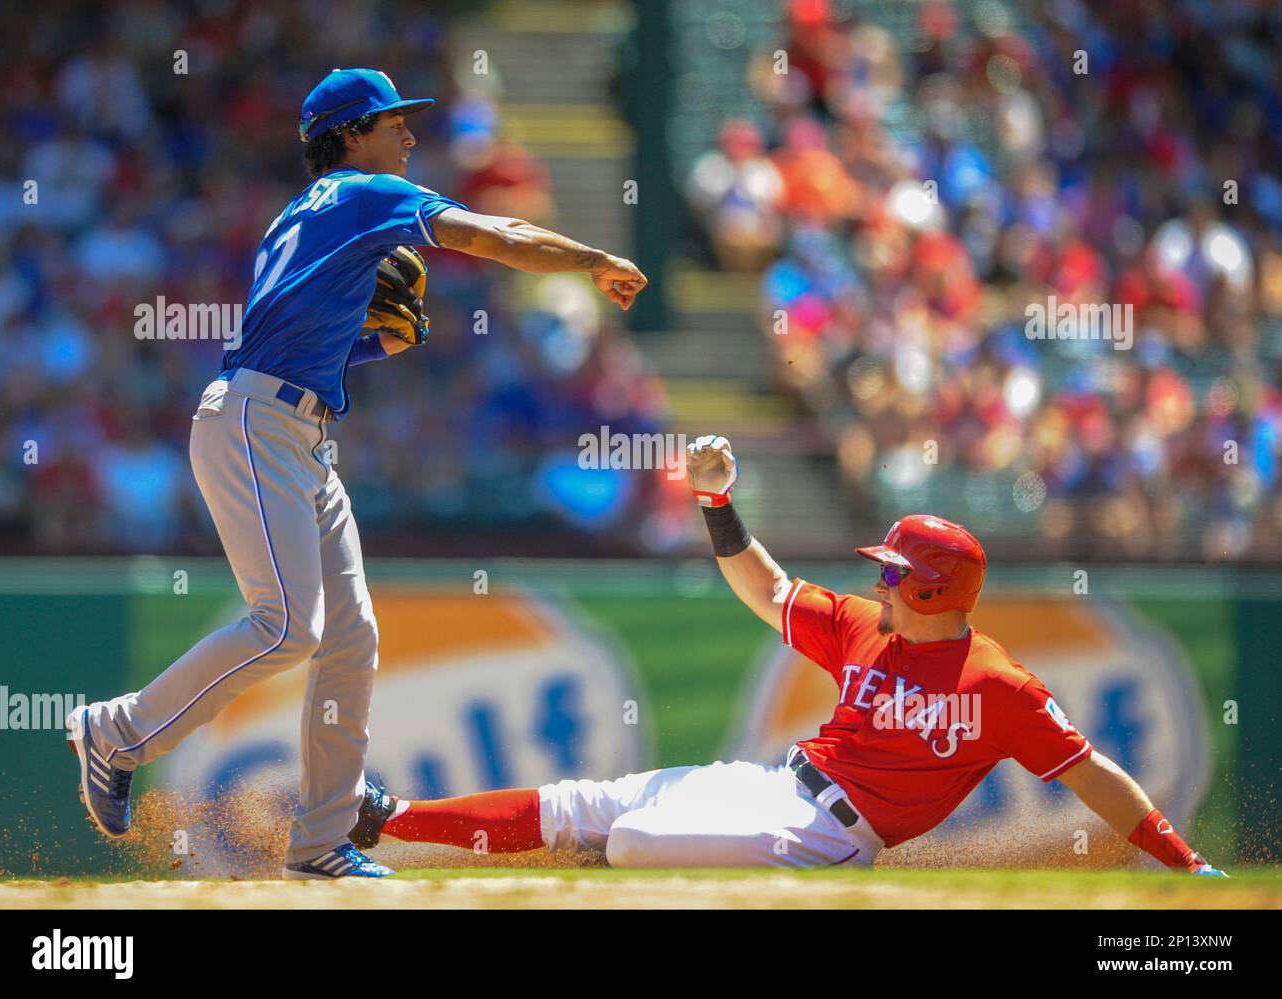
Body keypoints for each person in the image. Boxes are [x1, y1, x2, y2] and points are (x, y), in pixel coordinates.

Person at [65, 68, 647, 880]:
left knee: (351, 636)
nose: (408, 135)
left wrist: (379, 343)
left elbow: (306, 341)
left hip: (291, 423)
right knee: (284, 625)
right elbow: (494, 235)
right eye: (391, 121)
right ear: (348, 135)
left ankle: (319, 840)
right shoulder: (363, 194)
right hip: (255, 422)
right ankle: (118, 731)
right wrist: (590, 259)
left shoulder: (301, 217)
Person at [341, 435, 1227, 876]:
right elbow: (764, 588)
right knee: (590, 802)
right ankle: (387, 816)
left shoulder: (995, 682)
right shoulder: (862, 625)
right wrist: (718, 502)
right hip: (777, 785)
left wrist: (1181, 861)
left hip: (827, 836)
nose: (879, 581)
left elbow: (1091, 773)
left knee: (633, 840)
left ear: (927, 590)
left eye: (893, 572)